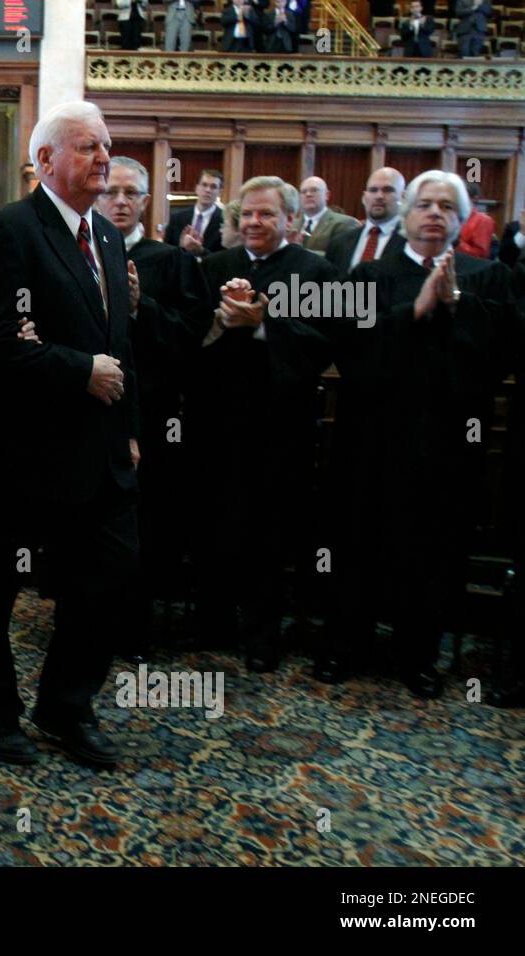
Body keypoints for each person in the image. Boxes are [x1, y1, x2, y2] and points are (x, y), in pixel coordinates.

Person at [0, 101, 139, 772]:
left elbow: (121, 343)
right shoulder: (9, 230)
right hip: (16, 454)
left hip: (100, 453)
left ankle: (66, 708)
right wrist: (76, 370)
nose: (102, 158)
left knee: (106, 581)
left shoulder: (110, 237)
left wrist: (131, 428)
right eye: (87, 147)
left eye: (106, 147)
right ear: (45, 162)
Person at [323, 170, 516, 696]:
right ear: (405, 216)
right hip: (373, 440)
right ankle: (347, 647)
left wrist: (457, 306)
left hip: (449, 442)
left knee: (433, 550)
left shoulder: (488, 279)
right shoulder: (366, 278)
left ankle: (418, 657)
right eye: (424, 204)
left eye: (446, 207)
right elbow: (348, 350)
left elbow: (501, 353)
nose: (434, 213)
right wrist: (415, 311)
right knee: (359, 541)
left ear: (460, 220)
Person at [190, 176, 338, 673]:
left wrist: (262, 325)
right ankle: (212, 622)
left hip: (282, 428)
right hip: (218, 422)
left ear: (290, 220)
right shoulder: (214, 266)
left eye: (267, 214)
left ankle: (261, 635)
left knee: (270, 534)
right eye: (247, 214)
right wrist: (218, 320)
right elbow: (187, 337)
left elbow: (323, 344)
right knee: (216, 522)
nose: (254, 222)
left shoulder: (315, 271)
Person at [97, 156, 212, 652]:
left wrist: (143, 307)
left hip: (155, 417)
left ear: (147, 201)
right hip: (92, 412)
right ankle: (87, 623)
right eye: (112, 192)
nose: (120, 201)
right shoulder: (77, 254)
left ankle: (135, 627)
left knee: (146, 525)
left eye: (132, 193)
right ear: (98, 196)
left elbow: (193, 336)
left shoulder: (174, 262)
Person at [325, 167, 407, 273]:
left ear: (403, 197)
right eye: (373, 190)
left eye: (387, 190)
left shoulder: (411, 244)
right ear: (364, 198)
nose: (379, 196)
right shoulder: (339, 244)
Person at [164, 169, 224, 254]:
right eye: (204, 185)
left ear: (220, 192)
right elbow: (166, 251)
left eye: (213, 187)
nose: (208, 190)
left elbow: (224, 257)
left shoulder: (224, 221)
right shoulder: (177, 218)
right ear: (197, 188)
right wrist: (181, 248)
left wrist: (201, 251)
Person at [296, 176, 359, 252]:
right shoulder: (292, 225)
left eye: (314, 190)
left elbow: (340, 256)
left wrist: (299, 253)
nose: (308, 194)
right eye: (303, 192)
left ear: (327, 195)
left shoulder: (344, 223)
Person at [456, 182, 498, 259]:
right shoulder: (450, 217)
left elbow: (481, 255)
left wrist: (456, 243)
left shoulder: (483, 220)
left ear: (474, 198)